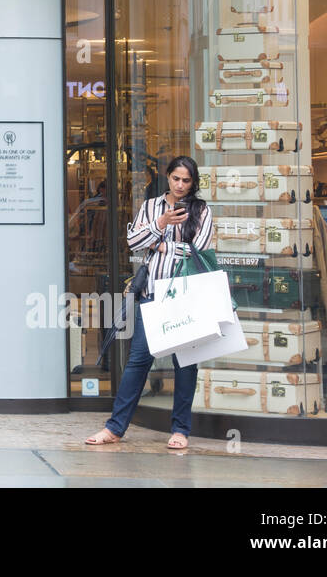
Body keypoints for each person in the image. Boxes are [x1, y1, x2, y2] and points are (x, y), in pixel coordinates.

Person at [85, 154, 214, 450]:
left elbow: (199, 250)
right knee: (138, 362)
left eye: (186, 180)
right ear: (167, 177)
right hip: (151, 295)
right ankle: (115, 427)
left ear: (193, 183)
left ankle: (180, 430)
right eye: (175, 179)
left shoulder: (201, 210)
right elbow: (133, 241)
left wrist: (158, 242)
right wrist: (162, 223)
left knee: (185, 364)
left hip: (185, 297)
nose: (180, 185)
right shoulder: (151, 206)